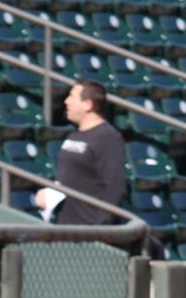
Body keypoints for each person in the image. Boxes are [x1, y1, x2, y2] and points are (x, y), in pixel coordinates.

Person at [34, 80, 128, 225]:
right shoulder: (74, 135)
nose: (66, 101)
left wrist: (100, 226)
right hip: (66, 225)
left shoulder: (108, 137)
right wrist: (50, 192)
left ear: (87, 104)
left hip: (90, 229)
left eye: (72, 97)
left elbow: (114, 187)